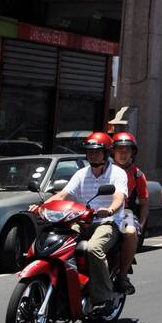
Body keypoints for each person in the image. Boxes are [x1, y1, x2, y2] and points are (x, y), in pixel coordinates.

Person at [56, 132, 128, 310]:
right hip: (81, 221)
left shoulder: (117, 173)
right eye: (89, 152)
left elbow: (119, 197)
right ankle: (69, 282)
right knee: (57, 243)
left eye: (96, 151)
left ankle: (104, 296)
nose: (92, 155)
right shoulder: (81, 174)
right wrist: (41, 206)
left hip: (108, 222)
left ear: (106, 152)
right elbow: (63, 194)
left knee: (93, 248)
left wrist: (110, 209)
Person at [111, 131, 148, 294]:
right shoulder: (103, 170)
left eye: (127, 149)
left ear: (133, 152)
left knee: (131, 231)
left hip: (124, 212)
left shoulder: (137, 174)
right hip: (99, 210)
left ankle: (123, 275)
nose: (123, 153)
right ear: (113, 151)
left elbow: (144, 203)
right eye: (119, 149)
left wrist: (141, 224)